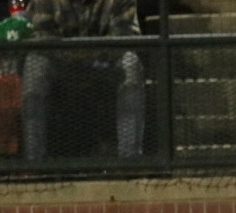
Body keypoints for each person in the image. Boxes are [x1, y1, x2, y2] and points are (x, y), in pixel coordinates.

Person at [20, 0, 145, 159]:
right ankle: (34, 161)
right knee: (34, 63)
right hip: (62, 64)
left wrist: (84, 53)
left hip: (104, 64)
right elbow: (41, 37)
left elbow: (124, 37)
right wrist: (76, 54)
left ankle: (130, 159)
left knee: (131, 63)